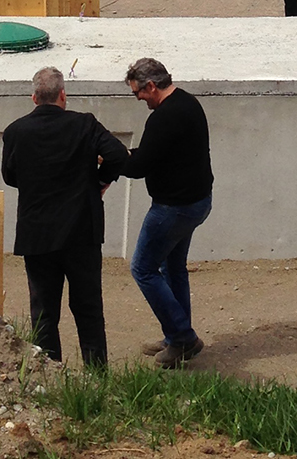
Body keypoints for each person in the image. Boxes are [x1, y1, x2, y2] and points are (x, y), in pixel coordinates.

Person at [0, 65, 129, 368]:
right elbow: (119, 156)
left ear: (33, 98)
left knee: (44, 311)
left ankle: (50, 375)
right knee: (88, 307)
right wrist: (100, 181)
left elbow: (10, 176)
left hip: (37, 235)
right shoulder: (85, 125)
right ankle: (96, 375)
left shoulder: (15, 131)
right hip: (81, 231)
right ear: (62, 95)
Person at [109, 57, 214, 367]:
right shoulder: (189, 103)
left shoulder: (163, 118)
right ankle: (176, 336)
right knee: (173, 269)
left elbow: (140, 166)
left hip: (173, 208)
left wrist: (110, 160)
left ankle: (183, 337)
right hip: (197, 202)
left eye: (138, 93)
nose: (139, 98)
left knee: (143, 269)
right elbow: (157, 154)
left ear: (151, 86)